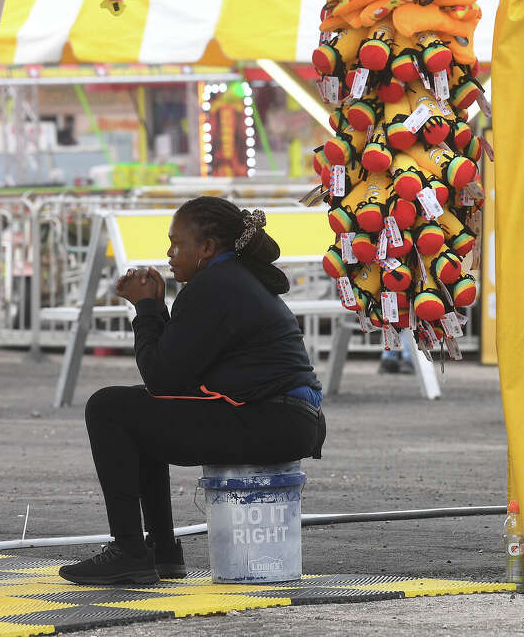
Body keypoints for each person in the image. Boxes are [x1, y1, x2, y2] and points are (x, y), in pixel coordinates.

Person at [59, 197, 326, 586]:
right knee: (137, 411)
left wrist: (147, 309)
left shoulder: (215, 285)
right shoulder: (229, 278)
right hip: (285, 418)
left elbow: (162, 379)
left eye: (176, 243)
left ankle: (131, 551)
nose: (169, 254)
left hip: (269, 417)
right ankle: (162, 552)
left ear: (206, 248)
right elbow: (176, 379)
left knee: (107, 408)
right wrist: (155, 310)